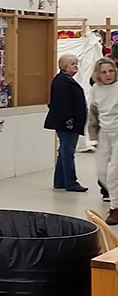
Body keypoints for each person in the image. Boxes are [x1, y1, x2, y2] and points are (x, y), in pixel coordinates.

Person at [44, 53, 88, 192]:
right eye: (72, 64)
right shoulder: (62, 81)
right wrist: (68, 120)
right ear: (64, 66)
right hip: (68, 123)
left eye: (76, 63)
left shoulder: (64, 80)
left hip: (68, 122)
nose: (76, 66)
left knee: (64, 152)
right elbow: (60, 103)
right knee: (68, 152)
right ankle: (71, 182)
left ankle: (60, 181)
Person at [88, 57, 118, 225]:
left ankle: (115, 208)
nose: (108, 75)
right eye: (104, 72)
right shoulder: (96, 89)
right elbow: (93, 114)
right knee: (102, 173)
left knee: (114, 172)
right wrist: (92, 137)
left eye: (110, 71)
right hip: (104, 134)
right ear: (98, 74)